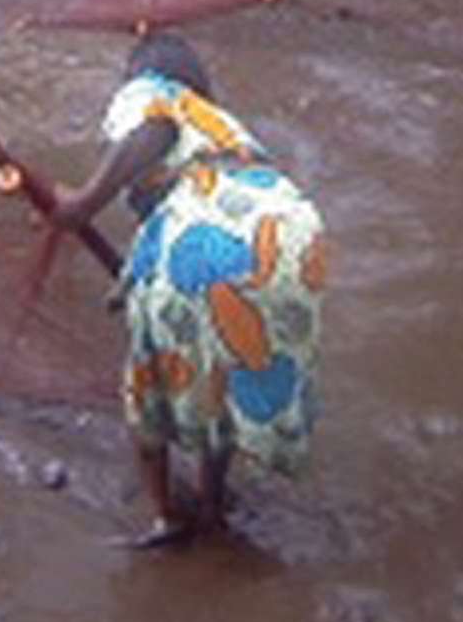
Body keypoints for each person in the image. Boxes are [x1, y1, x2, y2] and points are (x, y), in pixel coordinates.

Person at [51, 32, 326, 547]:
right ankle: (212, 504)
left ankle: (166, 518)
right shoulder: (223, 126)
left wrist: (83, 203)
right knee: (223, 368)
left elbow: (152, 130)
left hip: (204, 226)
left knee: (150, 377)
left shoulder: (150, 91)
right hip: (293, 233)